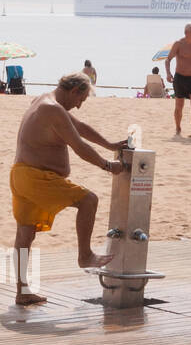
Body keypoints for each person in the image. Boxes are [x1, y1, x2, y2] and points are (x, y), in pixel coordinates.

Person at [9, 72, 127, 306]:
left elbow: (80, 128)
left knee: (25, 235)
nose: (79, 106)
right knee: (88, 200)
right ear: (74, 91)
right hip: (37, 178)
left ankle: (22, 291)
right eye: (80, 100)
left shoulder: (45, 101)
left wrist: (110, 144)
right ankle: (85, 255)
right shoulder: (52, 109)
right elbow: (79, 146)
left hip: (21, 175)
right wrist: (107, 166)